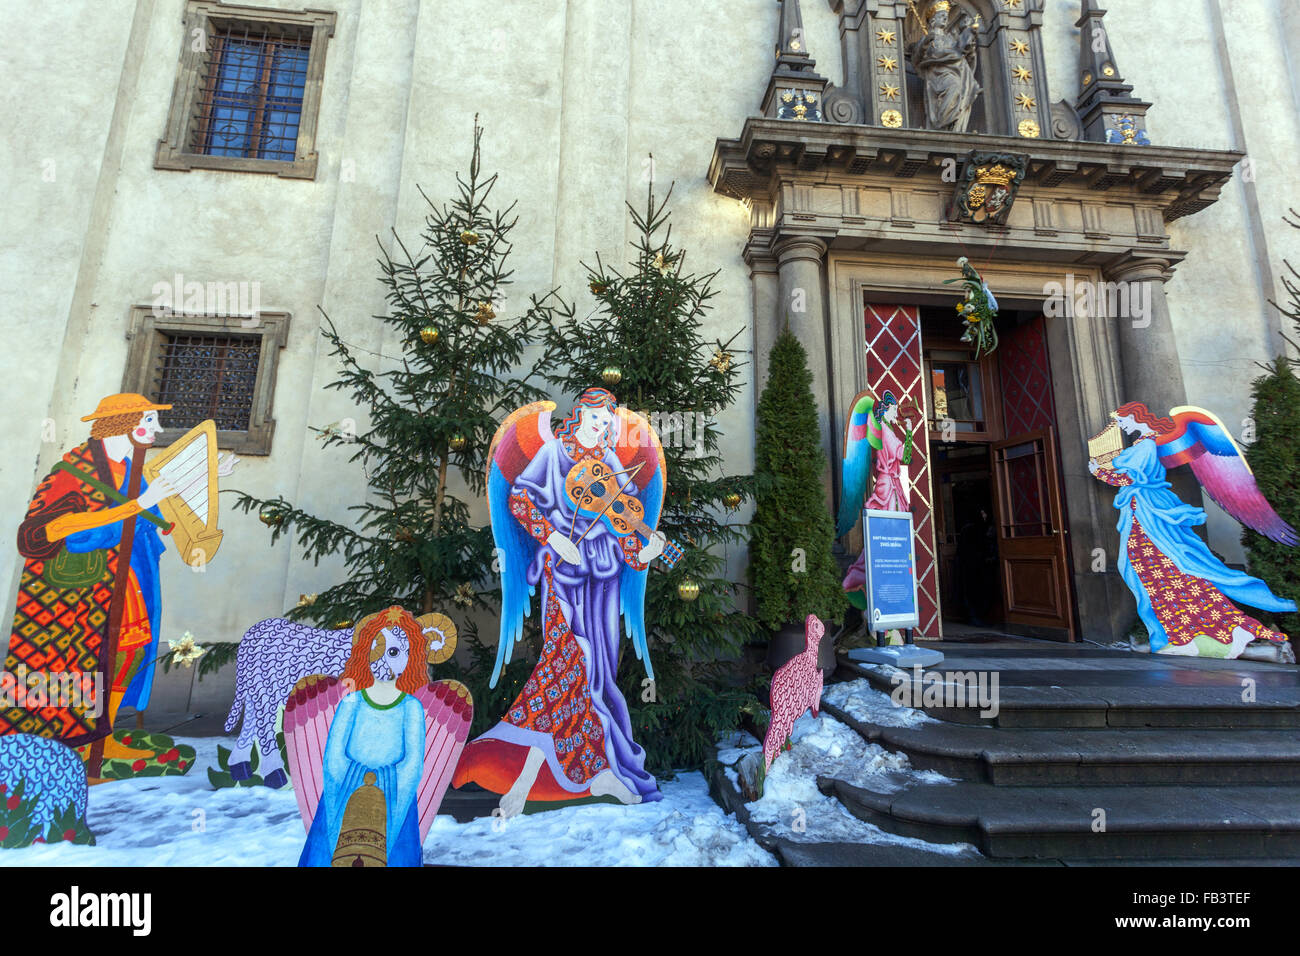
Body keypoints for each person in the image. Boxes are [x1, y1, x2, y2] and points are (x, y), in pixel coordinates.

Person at [453, 388, 664, 816]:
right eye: (595, 420)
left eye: (608, 424)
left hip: (602, 577)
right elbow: (519, 498)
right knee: (569, 661)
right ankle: (581, 770)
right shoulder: (552, 453)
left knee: (598, 671)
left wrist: (642, 552)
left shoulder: (608, 462)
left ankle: (578, 771)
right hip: (563, 571)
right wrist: (551, 537)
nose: (602, 429)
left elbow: (620, 517)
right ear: (580, 415)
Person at [1, 393, 236, 775]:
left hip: (124, 581)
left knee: (129, 651)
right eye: (149, 421)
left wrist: (204, 476)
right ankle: (68, 745)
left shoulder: (130, 468)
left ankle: (101, 737)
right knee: (81, 659)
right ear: (125, 424)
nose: (156, 430)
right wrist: (138, 505)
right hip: (76, 591)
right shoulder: (74, 470)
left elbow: (157, 516)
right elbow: (64, 533)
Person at [1090, 403, 1295, 658]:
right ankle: (1175, 635)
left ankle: (1204, 635)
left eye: (1124, 420)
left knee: (1158, 568)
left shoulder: (1144, 445)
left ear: (1135, 416)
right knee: (1158, 571)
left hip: (1148, 512)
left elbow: (1127, 477)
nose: (1123, 426)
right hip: (1146, 511)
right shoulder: (1148, 443)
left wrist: (1098, 469)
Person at [299, 607, 428, 867]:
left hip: (395, 799)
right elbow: (333, 756)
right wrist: (358, 781)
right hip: (344, 796)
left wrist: (382, 783)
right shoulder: (352, 703)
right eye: (377, 649)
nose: (384, 660)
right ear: (365, 654)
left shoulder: (411, 707)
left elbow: (413, 763)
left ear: (408, 658)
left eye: (394, 652)